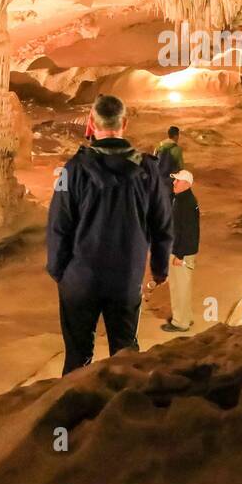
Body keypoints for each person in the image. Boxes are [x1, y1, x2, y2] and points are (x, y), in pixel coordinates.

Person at [47, 94, 173, 374]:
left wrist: (59, 272)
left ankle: (74, 414)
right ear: (124, 123)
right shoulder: (148, 170)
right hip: (126, 279)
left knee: (78, 357)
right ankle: (124, 409)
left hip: (80, 279)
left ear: (92, 123)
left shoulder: (74, 170)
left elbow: (59, 226)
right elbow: (161, 224)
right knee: (125, 354)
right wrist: (159, 269)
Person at [161, 170, 200, 334]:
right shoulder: (182, 199)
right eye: (174, 180)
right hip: (180, 250)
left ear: (187, 184)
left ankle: (180, 323)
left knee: (179, 287)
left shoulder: (186, 203)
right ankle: (186, 316)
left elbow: (188, 232)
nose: (174, 183)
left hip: (181, 253)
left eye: (177, 181)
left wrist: (179, 255)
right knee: (182, 286)